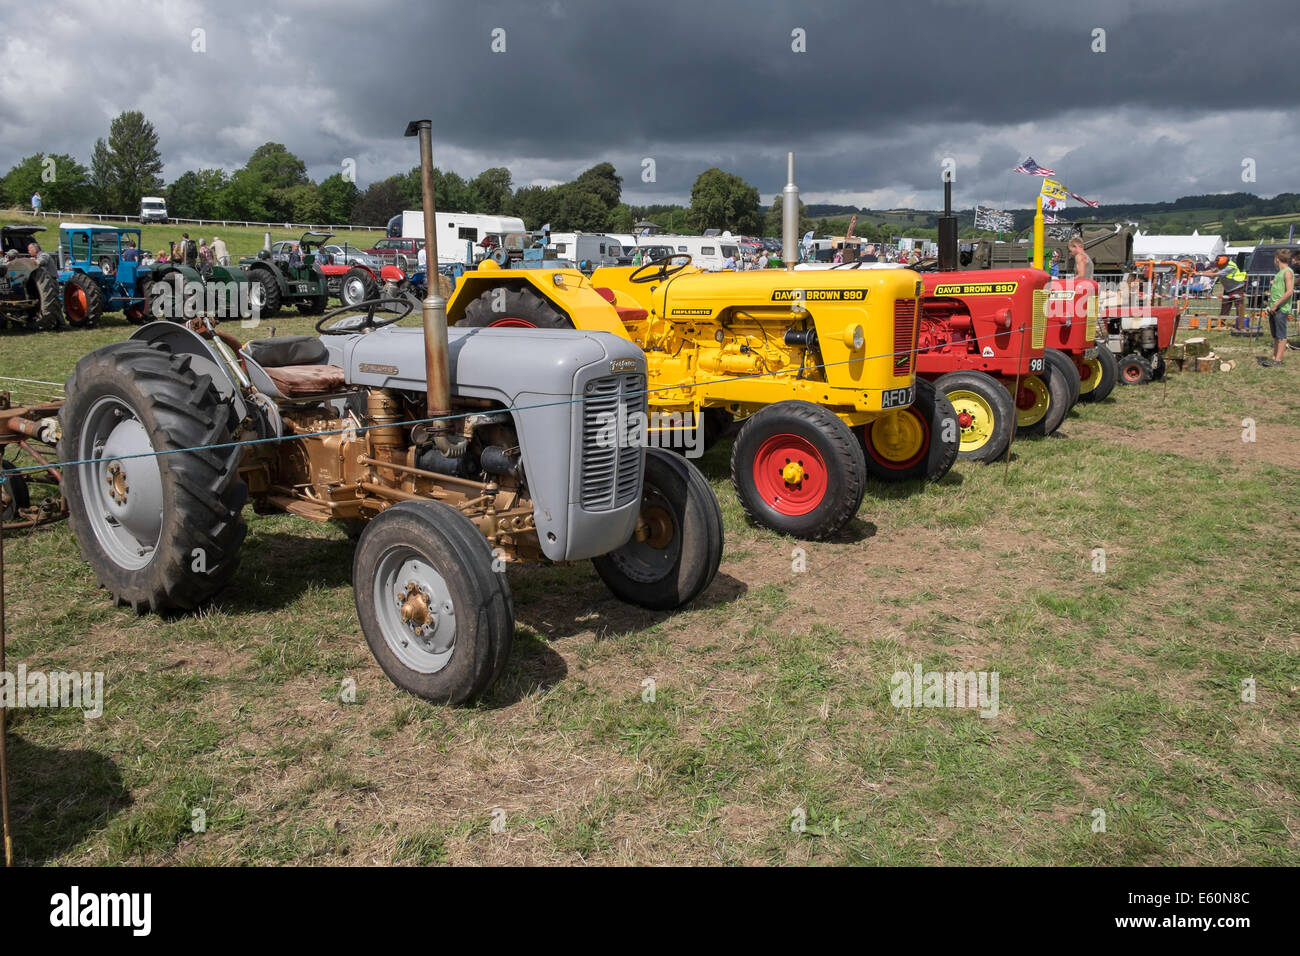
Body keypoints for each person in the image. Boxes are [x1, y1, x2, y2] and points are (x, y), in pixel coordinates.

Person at [1259, 248, 1293, 367]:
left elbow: (1289, 292)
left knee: (1281, 335)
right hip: (1273, 308)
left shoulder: (1287, 272)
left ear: (1277, 259)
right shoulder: (1279, 273)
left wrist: (1276, 305)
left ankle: (1278, 360)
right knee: (1275, 335)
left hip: (1280, 309)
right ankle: (1274, 357)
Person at [1196, 254, 1248, 330]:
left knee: (1239, 306)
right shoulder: (1222, 264)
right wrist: (1201, 272)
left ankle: (1240, 324)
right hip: (1228, 289)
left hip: (1237, 288)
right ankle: (1221, 322)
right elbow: (1213, 270)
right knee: (1225, 305)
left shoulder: (1229, 267)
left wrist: (1200, 274)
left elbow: (1215, 274)